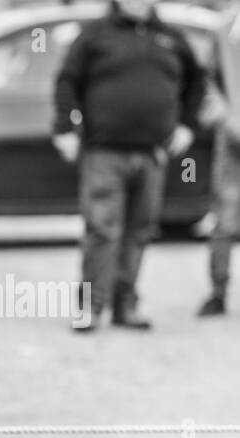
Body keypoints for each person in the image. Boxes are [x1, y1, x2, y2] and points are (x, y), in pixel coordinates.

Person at [53, 0, 205, 332]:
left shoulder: (171, 37)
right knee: (102, 229)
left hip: (153, 154)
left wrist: (187, 126)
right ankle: (90, 307)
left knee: (139, 231)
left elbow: (197, 80)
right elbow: (66, 81)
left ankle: (126, 304)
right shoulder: (95, 35)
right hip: (104, 152)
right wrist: (66, 128)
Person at [200, 0, 240, 318]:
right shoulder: (225, 26)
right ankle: (218, 290)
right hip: (232, 138)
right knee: (224, 218)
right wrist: (226, 117)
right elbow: (209, 80)